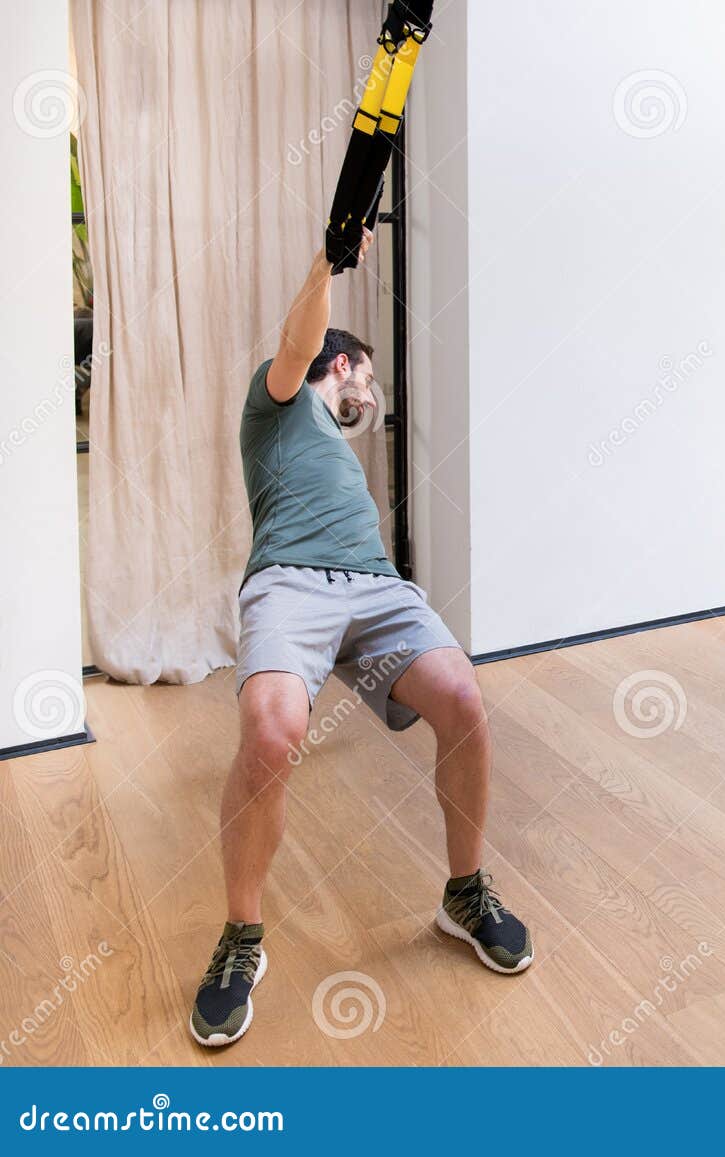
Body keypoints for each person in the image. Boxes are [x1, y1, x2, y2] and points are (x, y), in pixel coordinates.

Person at [190, 228, 531, 1048]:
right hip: (289, 588)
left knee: (463, 698)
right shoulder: (277, 401)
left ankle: (464, 893)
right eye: (366, 379)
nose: (371, 398)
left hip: (377, 590)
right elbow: (297, 340)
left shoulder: (329, 445)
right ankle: (242, 936)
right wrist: (327, 263)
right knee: (272, 734)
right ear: (339, 365)